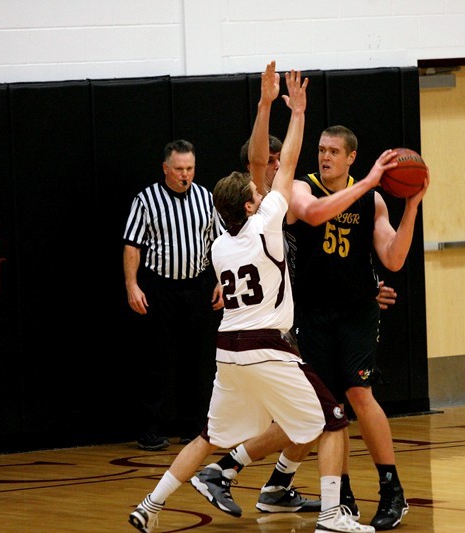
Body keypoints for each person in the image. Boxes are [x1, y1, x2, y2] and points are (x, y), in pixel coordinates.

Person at [128, 62, 375, 533]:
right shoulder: (266, 226)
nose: (263, 189)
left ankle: (150, 505)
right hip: (267, 344)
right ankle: (330, 517)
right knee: (334, 422)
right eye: (254, 191)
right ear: (248, 204)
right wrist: (296, 112)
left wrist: (265, 105)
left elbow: (264, 174)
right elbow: (274, 171)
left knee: (207, 436)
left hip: (228, 351)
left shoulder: (220, 243)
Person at [189, 67, 401, 520]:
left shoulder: (285, 195)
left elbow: (371, 251)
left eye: (331, 151)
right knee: (317, 413)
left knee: (327, 409)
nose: (272, 164)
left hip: (327, 312)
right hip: (289, 321)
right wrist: (269, 106)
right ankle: (259, 478)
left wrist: (368, 286)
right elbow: (284, 188)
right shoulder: (275, 197)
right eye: (265, 162)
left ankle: (269, 480)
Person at [283, 125, 428, 530]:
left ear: (351, 157)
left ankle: (392, 491)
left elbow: (394, 260)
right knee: (331, 408)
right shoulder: (301, 188)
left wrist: (412, 206)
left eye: (333, 151)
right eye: (320, 149)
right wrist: (367, 183)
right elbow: (310, 214)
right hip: (312, 313)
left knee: (359, 393)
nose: (324, 156)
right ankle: (342, 495)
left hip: (357, 311)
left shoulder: (373, 200)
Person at [123, 139, 224, 451]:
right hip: (160, 288)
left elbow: (220, 242)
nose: (185, 175)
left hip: (197, 287)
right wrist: (132, 285)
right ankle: (149, 429)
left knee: (198, 361)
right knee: (155, 359)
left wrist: (222, 280)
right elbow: (132, 245)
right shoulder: (146, 200)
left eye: (190, 168)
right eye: (179, 169)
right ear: (165, 169)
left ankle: (193, 428)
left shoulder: (207, 198)